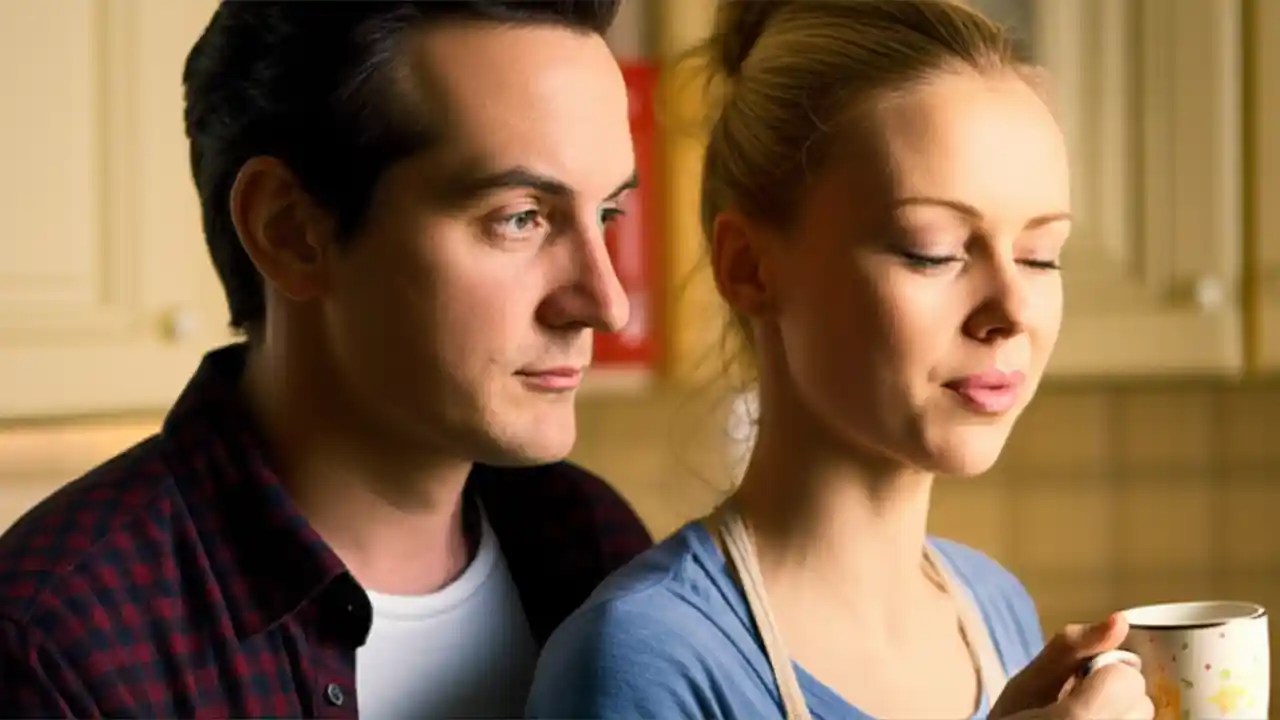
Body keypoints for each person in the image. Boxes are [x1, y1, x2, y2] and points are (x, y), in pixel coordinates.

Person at [0, 2, 653, 717]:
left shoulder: (593, 541)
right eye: (520, 218)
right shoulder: (55, 647)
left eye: (607, 215)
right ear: (290, 233)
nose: (605, 303)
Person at [527, 1, 1154, 718]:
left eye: (1041, 257)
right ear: (750, 268)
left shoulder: (994, 609)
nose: (1011, 312)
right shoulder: (645, 658)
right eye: (934, 251)